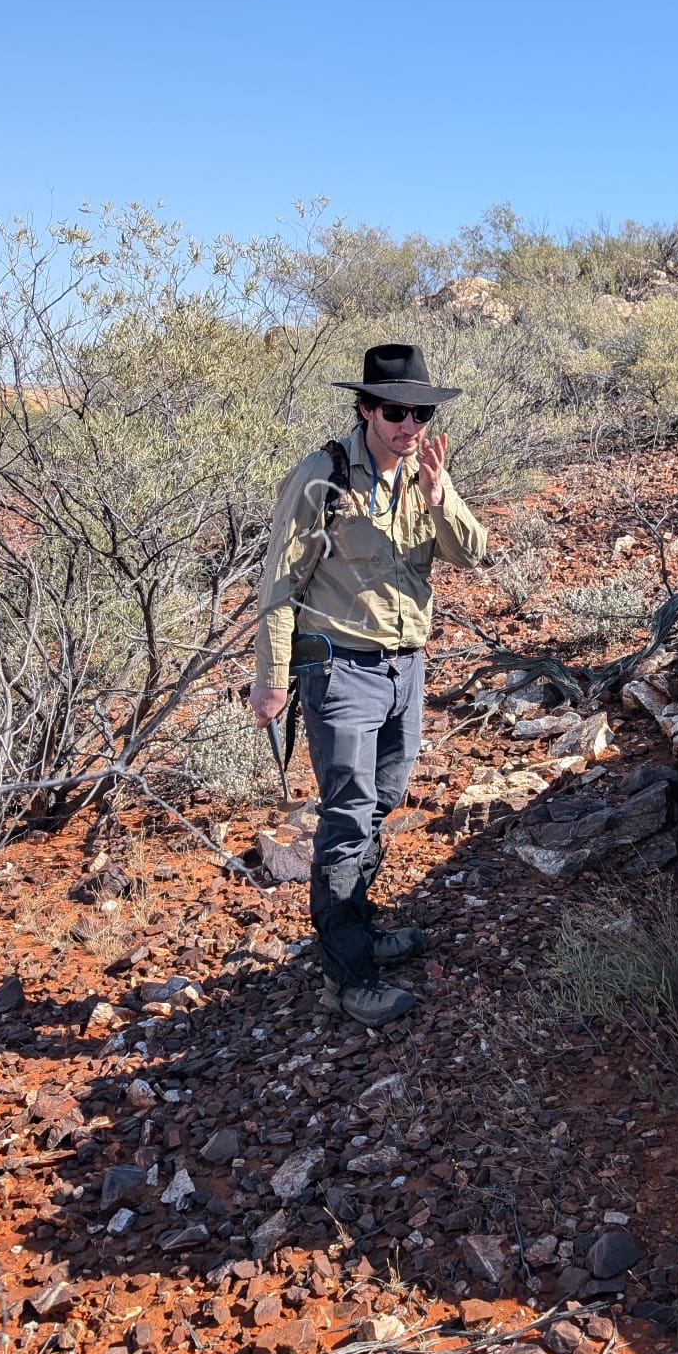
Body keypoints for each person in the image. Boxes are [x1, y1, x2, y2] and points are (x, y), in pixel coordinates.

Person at [251, 344, 488, 1026]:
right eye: (394, 411)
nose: (408, 425)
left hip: (404, 667)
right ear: (365, 408)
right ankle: (347, 977)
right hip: (339, 669)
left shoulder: (424, 472)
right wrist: (270, 679)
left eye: (419, 412)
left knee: (379, 804)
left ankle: (361, 929)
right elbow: (279, 586)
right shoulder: (321, 476)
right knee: (347, 820)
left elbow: (474, 553)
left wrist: (440, 502)